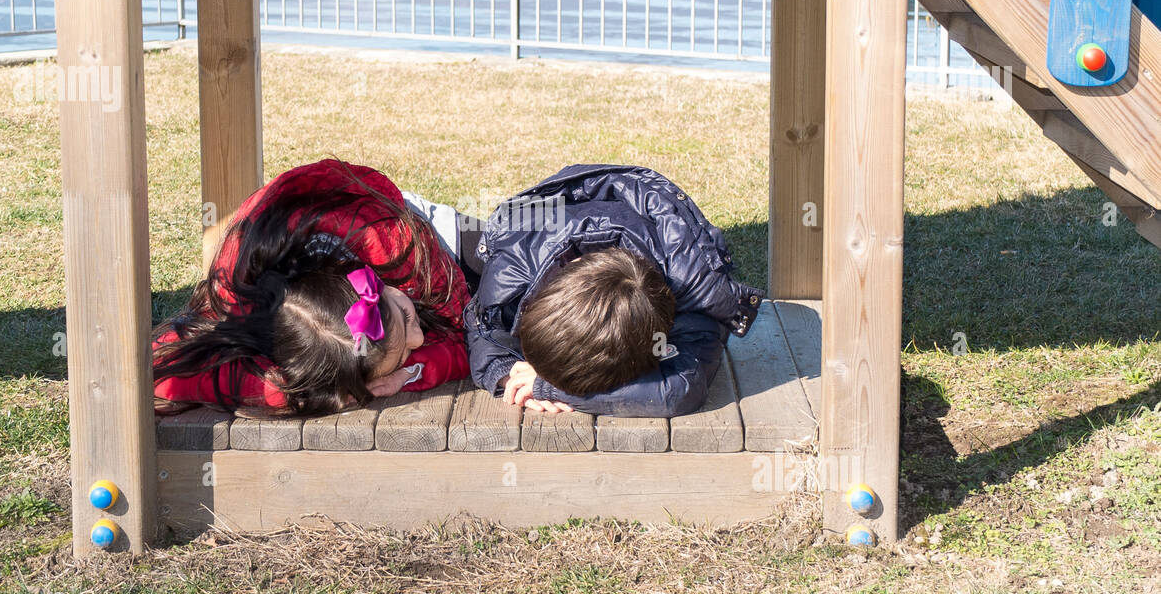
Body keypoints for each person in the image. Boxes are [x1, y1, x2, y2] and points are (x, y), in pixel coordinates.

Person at [153, 158, 472, 417]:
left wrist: (409, 369)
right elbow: (156, 372)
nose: (417, 339)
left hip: (434, 234)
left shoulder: (395, 243)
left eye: (404, 316)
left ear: (375, 282)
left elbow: (468, 336)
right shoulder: (239, 306)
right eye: (403, 355)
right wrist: (296, 390)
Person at [464, 164, 763, 417]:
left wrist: (551, 388)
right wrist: (505, 369)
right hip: (545, 225)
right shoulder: (514, 266)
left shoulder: (696, 291)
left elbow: (682, 387)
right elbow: (482, 324)